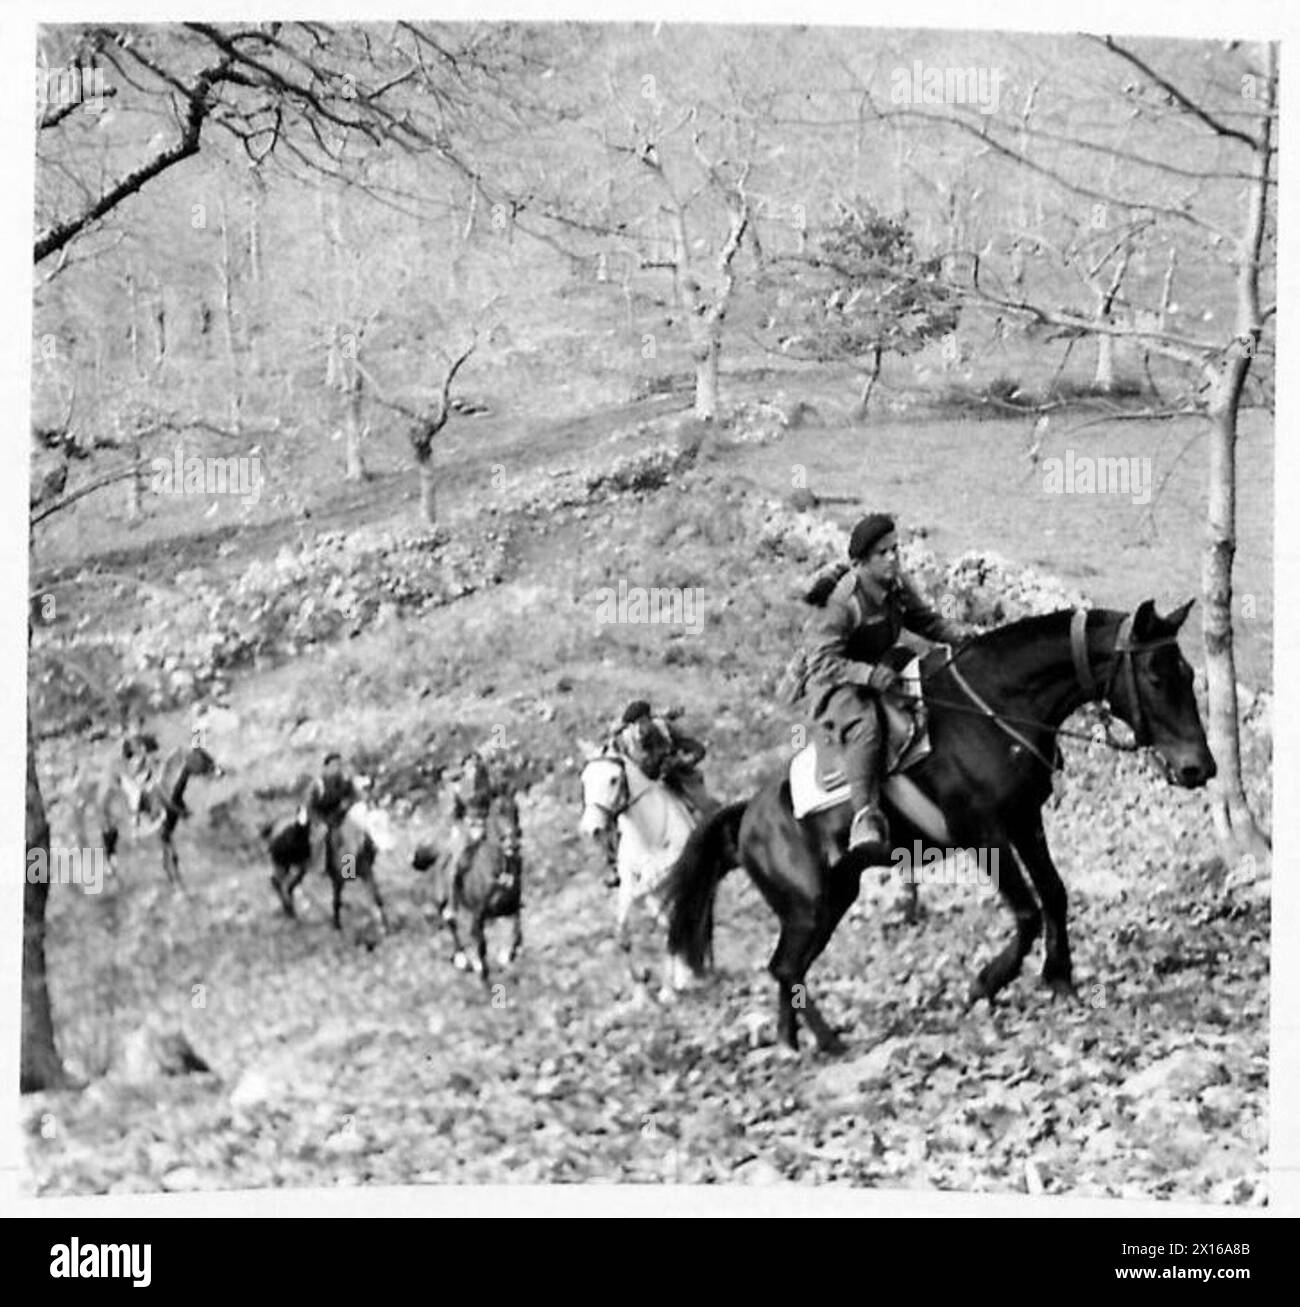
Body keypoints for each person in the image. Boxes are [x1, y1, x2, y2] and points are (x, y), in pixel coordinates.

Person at [800, 514, 974, 859]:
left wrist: (962, 636)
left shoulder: (896, 584)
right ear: (860, 562)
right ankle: (865, 816)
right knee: (867, 726)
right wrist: (866, 675)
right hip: (837, 686)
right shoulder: (840, 602)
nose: (894, 557)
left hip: (882, 667)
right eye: (883, 552)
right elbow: (821, 662)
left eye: (896, 549)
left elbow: (924, 620)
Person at [611, 700, 717, 819]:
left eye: (642, 722)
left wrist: (680, 761)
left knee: (707, 812)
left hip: (677, 782)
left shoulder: (665, 729)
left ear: (650, 721)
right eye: (633, 725)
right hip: (642, 791)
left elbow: (698, 750)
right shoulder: (624, 742)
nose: (638, 729)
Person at [301, 752, 360, 881]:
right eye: (334, 765)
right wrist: (320, 821)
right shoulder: (318, 784)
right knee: (321, 836)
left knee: (350, 836)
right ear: (326, 767)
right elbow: (310, 805)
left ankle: (348, 870)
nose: (337, 768)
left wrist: (347, 803)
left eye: (339, 765)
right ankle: (318, 869)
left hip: (339, 817)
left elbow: (353, 795)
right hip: (321, 817)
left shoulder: (344, 781)